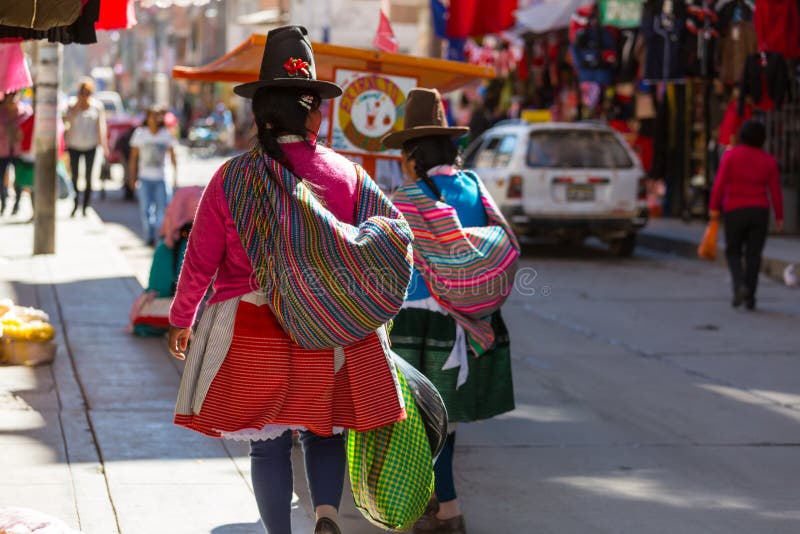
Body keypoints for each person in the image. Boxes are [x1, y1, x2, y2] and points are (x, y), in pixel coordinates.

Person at [167, 26, 406, 534]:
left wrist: (182, 317)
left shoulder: (231, 177)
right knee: (324, 434)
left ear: (260, 114)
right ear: (312, 112)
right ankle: (324, 514)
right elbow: (387, 237)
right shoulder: (349, 174)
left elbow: (200, 258)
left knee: (269, 445)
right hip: (332, 330)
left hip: (254, 332)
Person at [382, 89, 516, 534]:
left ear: (414, 153)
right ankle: (445, 508)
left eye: (405, 153)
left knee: (416, 423)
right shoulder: (476, 187)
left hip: (418, 321)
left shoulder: (408, 199)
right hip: (467, 319)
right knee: (448, 424)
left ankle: (440, 507)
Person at [709, 119, 784, 310]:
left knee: (733, 252)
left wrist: (713, 208)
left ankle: (739, 285)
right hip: (759, 211)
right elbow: (775, 190)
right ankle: (751, 297)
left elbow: (719, 184)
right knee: (754, 255)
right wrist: (779, 216)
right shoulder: (768, 160)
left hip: (734, 209)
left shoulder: (731, 156)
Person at [128, 107, 177, 246]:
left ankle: (160, 235)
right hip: (144, 178)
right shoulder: (140, 134)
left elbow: (173, 156)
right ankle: (149, 236)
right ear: (147, 118)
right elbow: (133, 158)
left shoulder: (166, 134)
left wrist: (175, 177)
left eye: (158, 116)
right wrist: (131, 177)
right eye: (152, 116)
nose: (155, 119)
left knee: (163, 210)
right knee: (145, 209)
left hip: (161, 178)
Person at [65, 78, 109, 217]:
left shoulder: (97, 107)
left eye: (87, 93)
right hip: (74, 145)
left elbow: (101, 127)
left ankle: (85, 206)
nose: (84, 96)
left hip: (91, 145)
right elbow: (67, 122)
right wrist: (76, 108)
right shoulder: (72, 105)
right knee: (75, 176)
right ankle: (75, 202)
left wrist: (104, 146)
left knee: (89, 177)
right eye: (82, 92)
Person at [0, 91, 32, 216]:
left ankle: (17, 204)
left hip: (18, 150)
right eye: (9, 96)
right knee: (1, 178)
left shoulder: (25, 111)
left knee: (19, 178)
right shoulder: (1, 112)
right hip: (2, 150)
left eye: (14, 95)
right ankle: (3, 202)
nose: (11, 98)